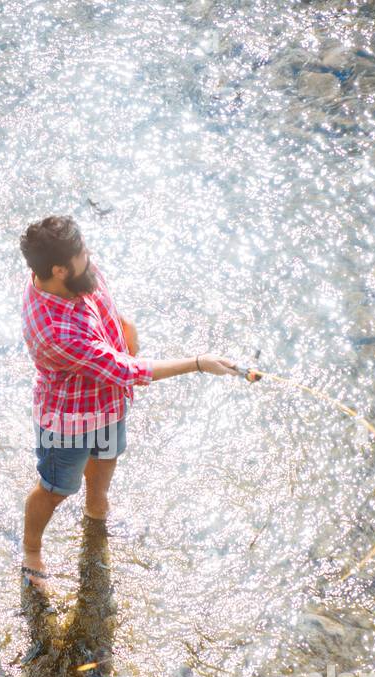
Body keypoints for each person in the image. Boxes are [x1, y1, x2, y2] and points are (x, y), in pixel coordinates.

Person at [18, 214, 237, 596]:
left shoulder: (74, 271)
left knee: (107, 458)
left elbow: (102, 301)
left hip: (108, 404)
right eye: (81, 254)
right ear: (57, 269)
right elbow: (129, 371)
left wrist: (123, 324)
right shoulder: (57, 332)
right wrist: (199, 363)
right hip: (69, 417)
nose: (89, 256)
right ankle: (31, 550)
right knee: (55, 489)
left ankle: (96, 511)